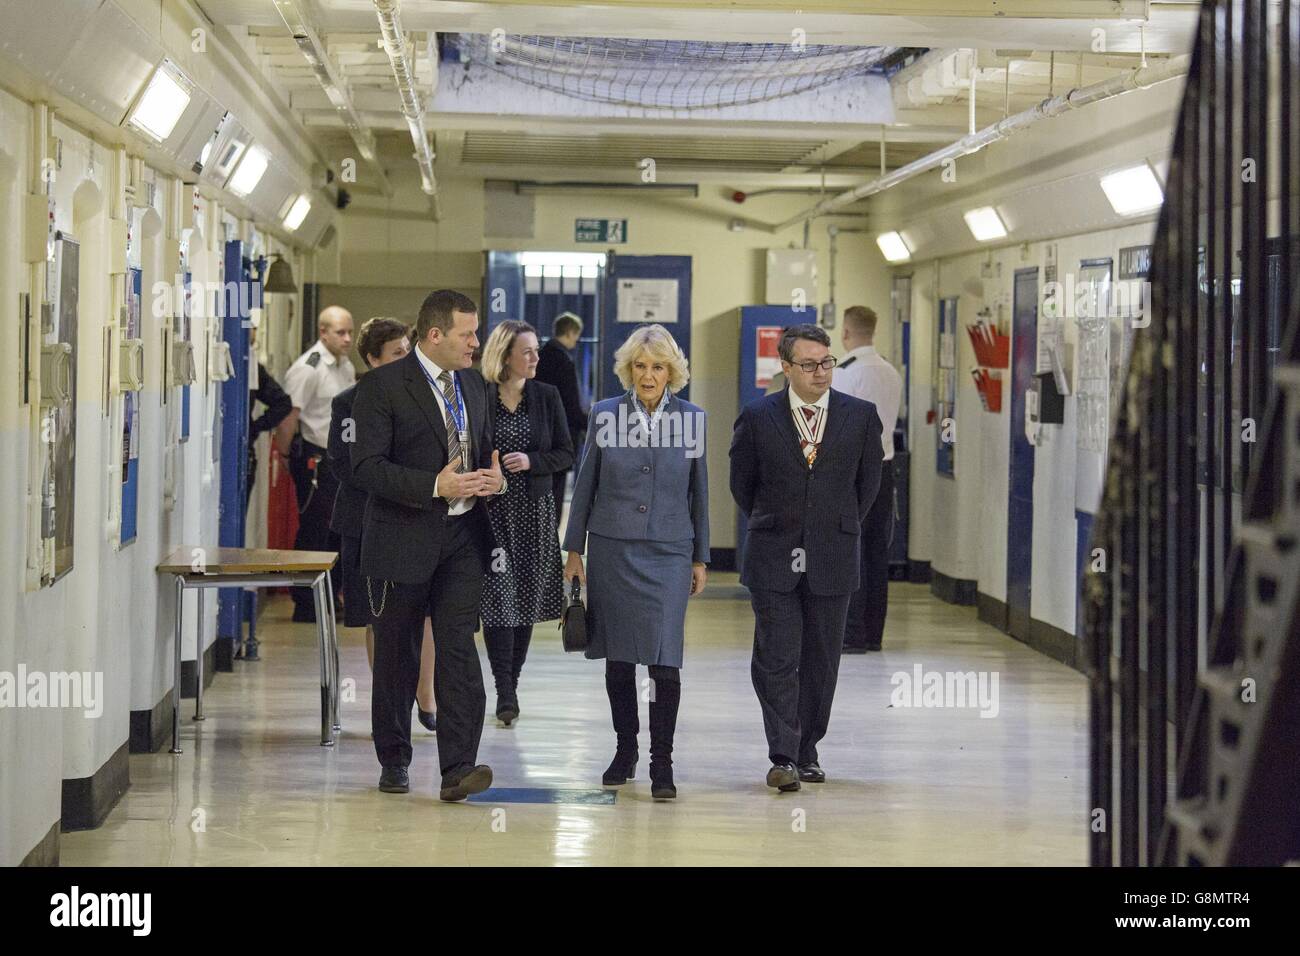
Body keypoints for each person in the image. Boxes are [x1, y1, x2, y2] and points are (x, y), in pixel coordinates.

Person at [350, 290, 507, 801]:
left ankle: (457, 769)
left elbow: (477, 452)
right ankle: (394, 757)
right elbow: (366, 468)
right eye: (467, 335)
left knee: (459, 649)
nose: (476, 343)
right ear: (435, 335)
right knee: (399, 653)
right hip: (402, 536)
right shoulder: (382, 387)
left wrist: (492, 480)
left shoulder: (474, 388)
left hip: (463, 536)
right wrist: (433, 486)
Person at [729, 324, 882, 792]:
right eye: (810, 365)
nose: (821, 372)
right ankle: (783, 754)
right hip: (774, 552)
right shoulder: (758, 417)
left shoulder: (860, 417)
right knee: (775, 657)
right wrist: (780, 520)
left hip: (833, 553)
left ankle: (808, 748)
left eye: (827, 362)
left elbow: (867, 486)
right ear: (787, 367)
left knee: (821, 658)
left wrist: (831, 527)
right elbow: (743, 485)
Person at [563, 324, 709, 800]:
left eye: (658, 366)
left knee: (665, 661)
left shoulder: (692, 419)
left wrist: (701, 556)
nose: (649, 376)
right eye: (641, 366)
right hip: (613, 549)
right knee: (619, 658)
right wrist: (573, 550)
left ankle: (661, 763)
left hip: (669, 551)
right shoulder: (605, 414)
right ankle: (625, 750)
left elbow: (699, 493)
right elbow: (584, 485)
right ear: (629, 370)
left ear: (673, 372)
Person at [327, 318, 437, 733]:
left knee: (425, 612)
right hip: (365, 519)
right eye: (396, 354)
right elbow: (343, 462)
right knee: (378, 615)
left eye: (408, 351)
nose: (405, 360)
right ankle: (388, 701)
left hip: (419, 515)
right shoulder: (348, 403)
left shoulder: (425, 398)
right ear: (372, 360)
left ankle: (426, 696)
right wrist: (389, 482)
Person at [479, 320, 573, 725]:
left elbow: (567, 453)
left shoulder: (546, 396)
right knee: (499, 600)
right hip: (492, 512)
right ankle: (504, 689)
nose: (536, 358)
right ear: (505, 356)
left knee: (526, 601)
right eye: (528, 352)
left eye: (535, 350)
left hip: (534, 511)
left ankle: (511, 684)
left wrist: (533, 461)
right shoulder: (480, 396)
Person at [832, 305, 903, 653]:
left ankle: (852, 633)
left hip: (853, 471)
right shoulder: (891, 371)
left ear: (846, 333)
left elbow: (838, 425)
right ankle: (873, 633)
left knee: (850, 550)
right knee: (877, 553)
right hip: (885, 469)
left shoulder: (845, 373)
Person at [284, 305, 356, 622]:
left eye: (350, 332)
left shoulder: (344, 366)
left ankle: (330, 595)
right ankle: (304, 602)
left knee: (338, 530)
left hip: (340, 460)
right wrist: (287, 457)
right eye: (341, 332)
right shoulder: (308, 368)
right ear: (322, 332)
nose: (348, 338)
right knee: (314, 530)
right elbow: (290, 416)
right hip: (314, 457)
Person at [535, 311, 588, 520]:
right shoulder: (564, 359)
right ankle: (551, 530)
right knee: (556, 487)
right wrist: (586, 423)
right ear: (571, 332)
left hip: (541, 431)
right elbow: (570, 401)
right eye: (576, 335)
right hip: (561, 432)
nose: (576, 340)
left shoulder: (542, 355)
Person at [246, 360, 296, 512]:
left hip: (244, 454)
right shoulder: (247, 364)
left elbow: (283, 403)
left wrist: (254, 428)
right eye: (340, 333)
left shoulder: (251, 366)